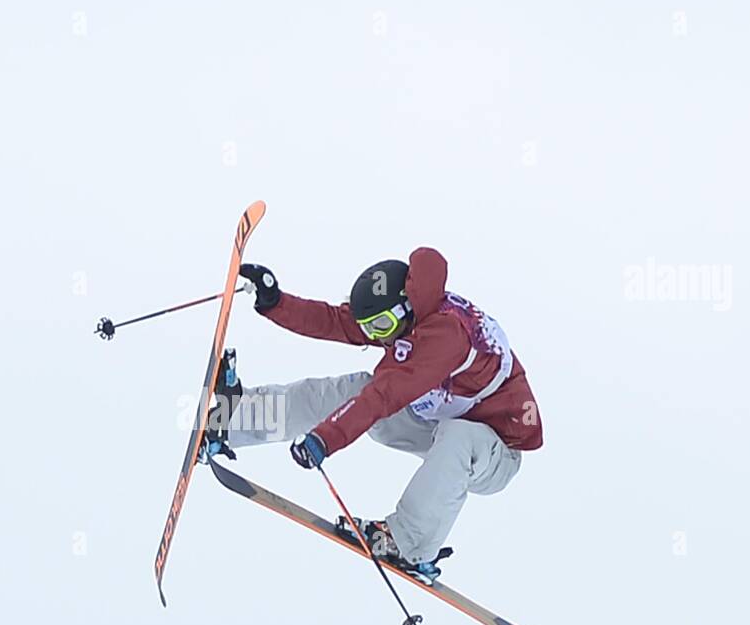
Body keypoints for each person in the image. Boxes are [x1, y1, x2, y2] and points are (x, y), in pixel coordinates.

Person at [203, 248, 543, 584]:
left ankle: (410, 544)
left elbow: (386, 394)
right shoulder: (405, 316)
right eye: (371, 327)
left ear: (405, 308)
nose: (380, 336)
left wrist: (326, 438)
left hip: (495, 453)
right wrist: (275, 302)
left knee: (455, 434)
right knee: (353, 389)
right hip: (435, 424)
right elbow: (337, 322)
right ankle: (237, 421)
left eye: (382, 325)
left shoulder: (448, 334)